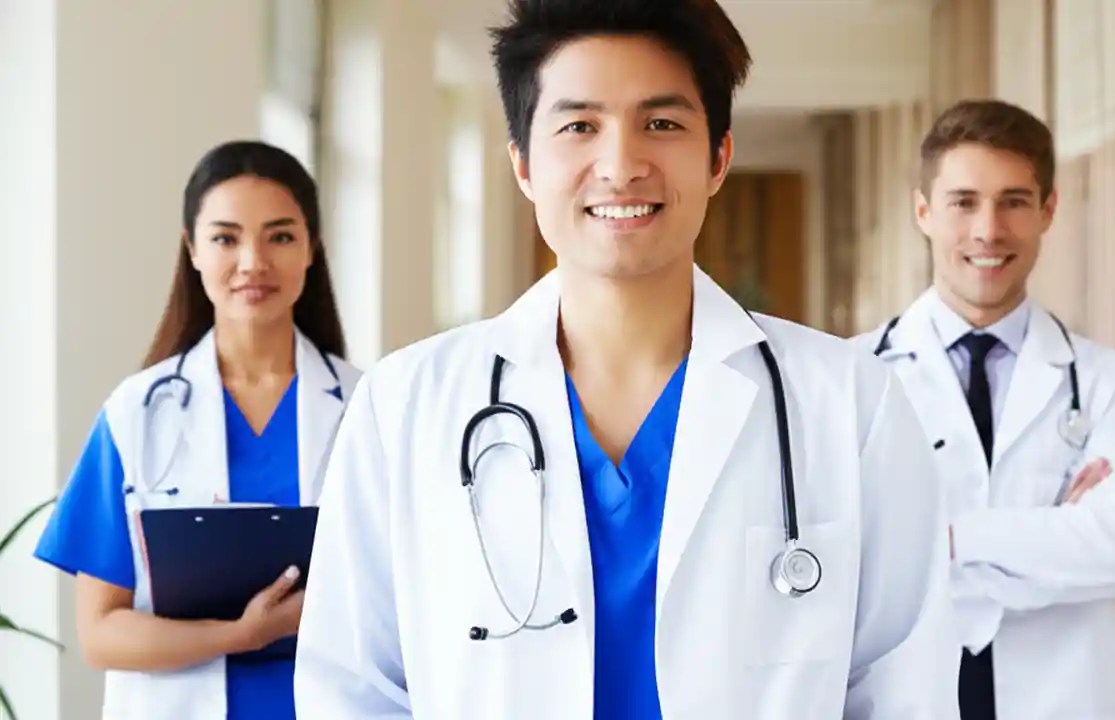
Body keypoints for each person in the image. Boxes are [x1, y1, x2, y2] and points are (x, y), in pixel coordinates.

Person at [293, 1, 950, 718]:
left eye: (662, 124)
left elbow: (903, 687)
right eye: (579, 126)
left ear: (718, 158)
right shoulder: (406, 405)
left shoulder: (847, 402)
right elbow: (353, 691)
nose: (621, 165)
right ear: (523, 164)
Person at [854, 99, 1115, 719]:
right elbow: (855, 560)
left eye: (1014, 201)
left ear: (1048, 210)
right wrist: (1046, 537)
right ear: (924, 212)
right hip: (904, 697)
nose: (988, 231)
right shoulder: (855, 374)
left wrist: (946, 538)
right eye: (963, 202)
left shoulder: (1103, 380)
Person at [34, 140, 362, 720]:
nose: (253, 262)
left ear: (312, 248)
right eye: (225, 238)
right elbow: (101, 633)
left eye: (281, 236)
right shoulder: (137, 414)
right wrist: (243, 634)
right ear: (192, 249)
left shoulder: (368, 406)